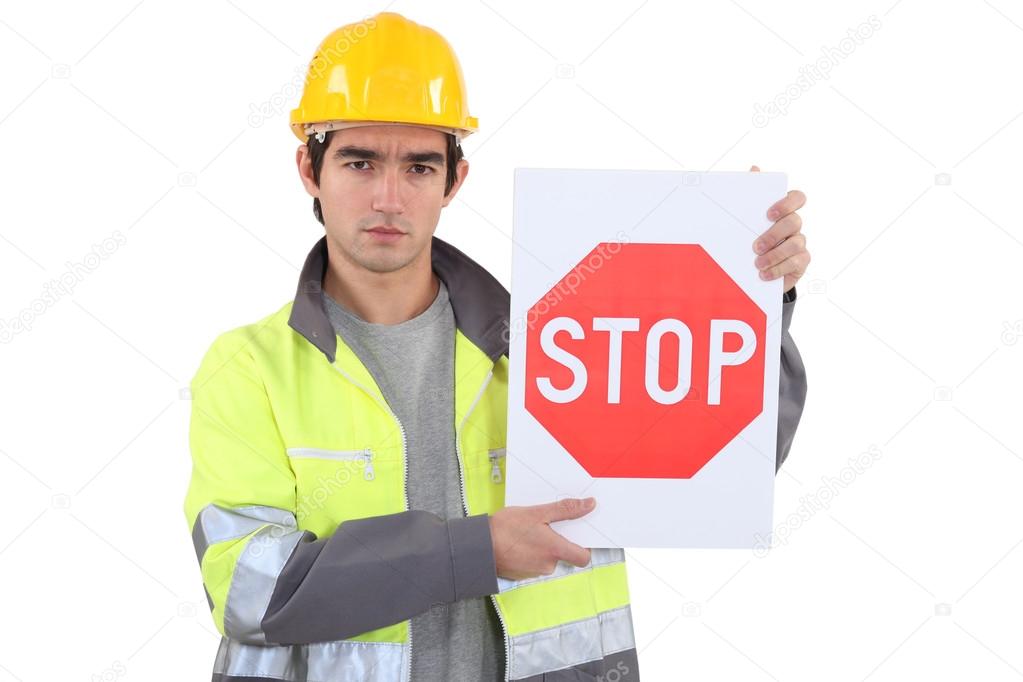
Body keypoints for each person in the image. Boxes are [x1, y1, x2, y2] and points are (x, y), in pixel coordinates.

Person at [183, 11, 809, 682]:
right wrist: (471, 551)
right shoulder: (250, 368)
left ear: (454, 181)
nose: (388, 197)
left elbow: (726, 466)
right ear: (309, 168)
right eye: (359, 162)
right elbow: (251, 591)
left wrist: (750, 302)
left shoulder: (551, 348)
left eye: (419, 166)